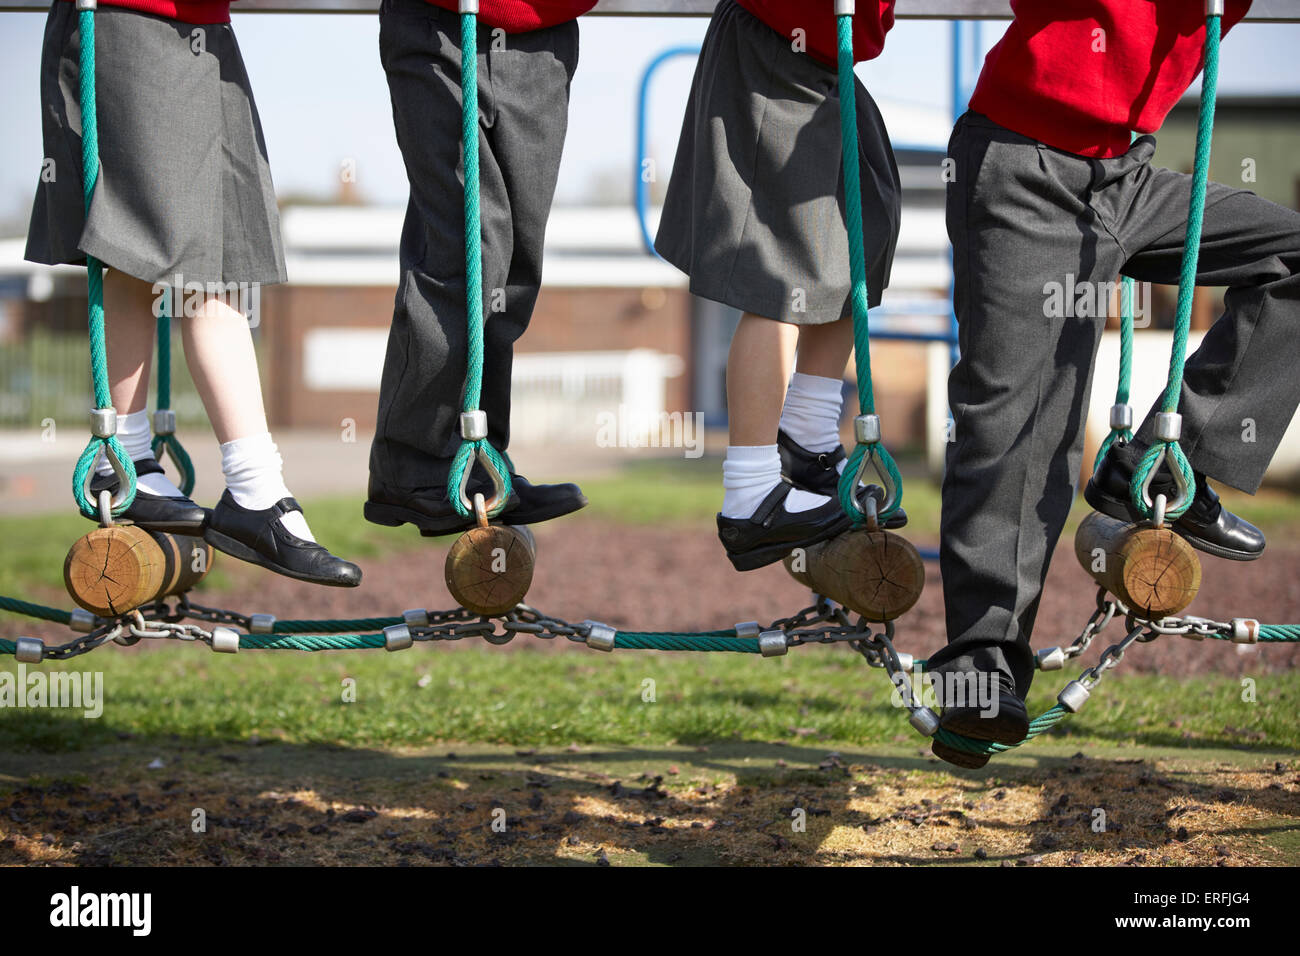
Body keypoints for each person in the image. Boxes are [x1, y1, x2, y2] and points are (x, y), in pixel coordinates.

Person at [930, 0, 1300, 768]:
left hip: (1125, 175)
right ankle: (980, 669)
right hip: (1025, 162)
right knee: (1022, 420)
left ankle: (1170, 460)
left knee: (1292, 257)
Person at [26, 0, 361, 587]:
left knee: (223, 260)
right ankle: (125, 457)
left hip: (206, 29)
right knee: (134, 244)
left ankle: (254, 488)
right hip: (131, 19)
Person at [656, 0, 904, 572]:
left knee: (864, 223)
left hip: (829, 54)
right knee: (779, 265)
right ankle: (749, 493)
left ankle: (808, 431)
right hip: (775, 39)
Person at [364, 0, 595, 535]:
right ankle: (412, 464)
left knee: (515, 264)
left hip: (546, 34)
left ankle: (482, 456)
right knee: (471, 249)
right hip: (441, 22)